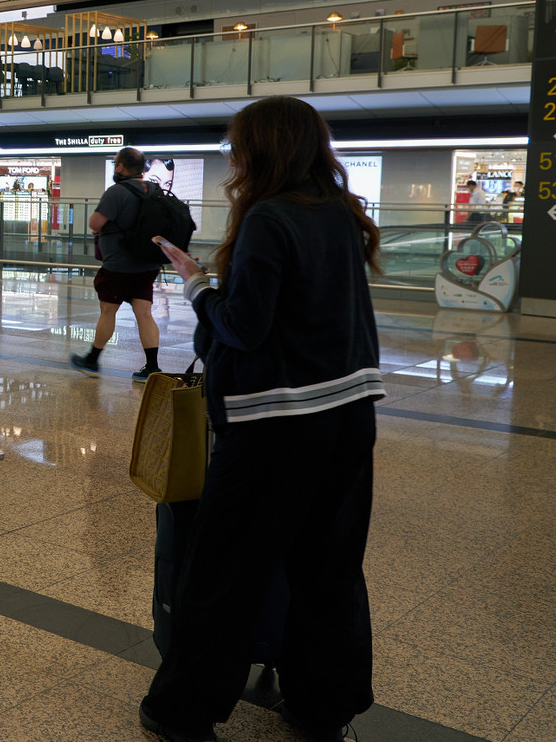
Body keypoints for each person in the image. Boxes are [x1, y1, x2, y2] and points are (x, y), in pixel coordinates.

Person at [140, 96, 383, 742]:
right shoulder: (339, 213)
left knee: (227, 571)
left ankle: (182, 711)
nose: (233, 158)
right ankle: (323, 705)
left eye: (237, 146)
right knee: (328, 570)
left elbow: (243, 328)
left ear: (261, 150)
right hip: (351, 417)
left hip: (277, 428)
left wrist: (195, 284)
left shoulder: (269, 219)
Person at [70, 146, 163, 382]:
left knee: (108, 311)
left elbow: (95, 222)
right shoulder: (154, 189)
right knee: (144, 313)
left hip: (119, 265)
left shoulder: (116, 192)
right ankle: (152, 367)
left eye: (115, 163)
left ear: (121, 166)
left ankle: (92, 360)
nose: (115, 167)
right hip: (148, 263)